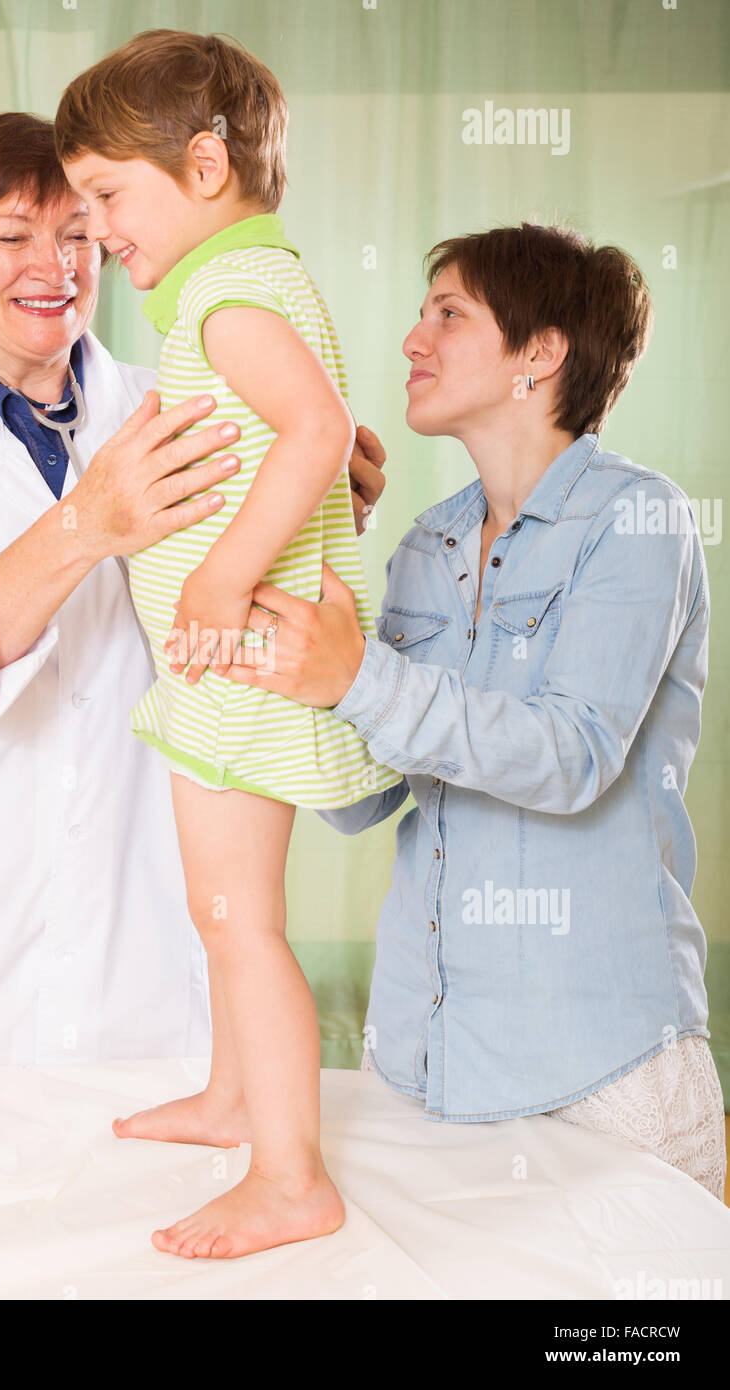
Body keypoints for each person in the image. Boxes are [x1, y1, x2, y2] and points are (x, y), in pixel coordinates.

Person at [0, 111, 388, 1069]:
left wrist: (320, 507)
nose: (52, 268)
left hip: (128, 951)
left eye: (76, 237)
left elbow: (236, 617)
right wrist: (86, 523)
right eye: (12, 237)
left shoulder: (181, 406)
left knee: (132, 1188)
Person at [222, 222, 727, 1202]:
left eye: (447, 313)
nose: (413, 339)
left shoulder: (639, 520)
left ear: (540, 353)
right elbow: (357, 802)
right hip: (422, 1059)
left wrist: (361, 674)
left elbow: (571, 754)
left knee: (627, 1353)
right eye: (420, 313)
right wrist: (303, 547)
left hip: (602, 1061)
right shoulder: (423, 547)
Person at [58, 29, 402, 1262]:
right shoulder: (240, 283)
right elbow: (311, 442)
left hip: (246, 667)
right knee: (224, 907)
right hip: (231, 672)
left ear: (204, 166)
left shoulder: (232, 292)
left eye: (105, 196)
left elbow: (315, 429)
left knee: (236, 914)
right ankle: (228, 1096)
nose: (95, 230)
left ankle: (291, 1176)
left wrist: (218, 570)